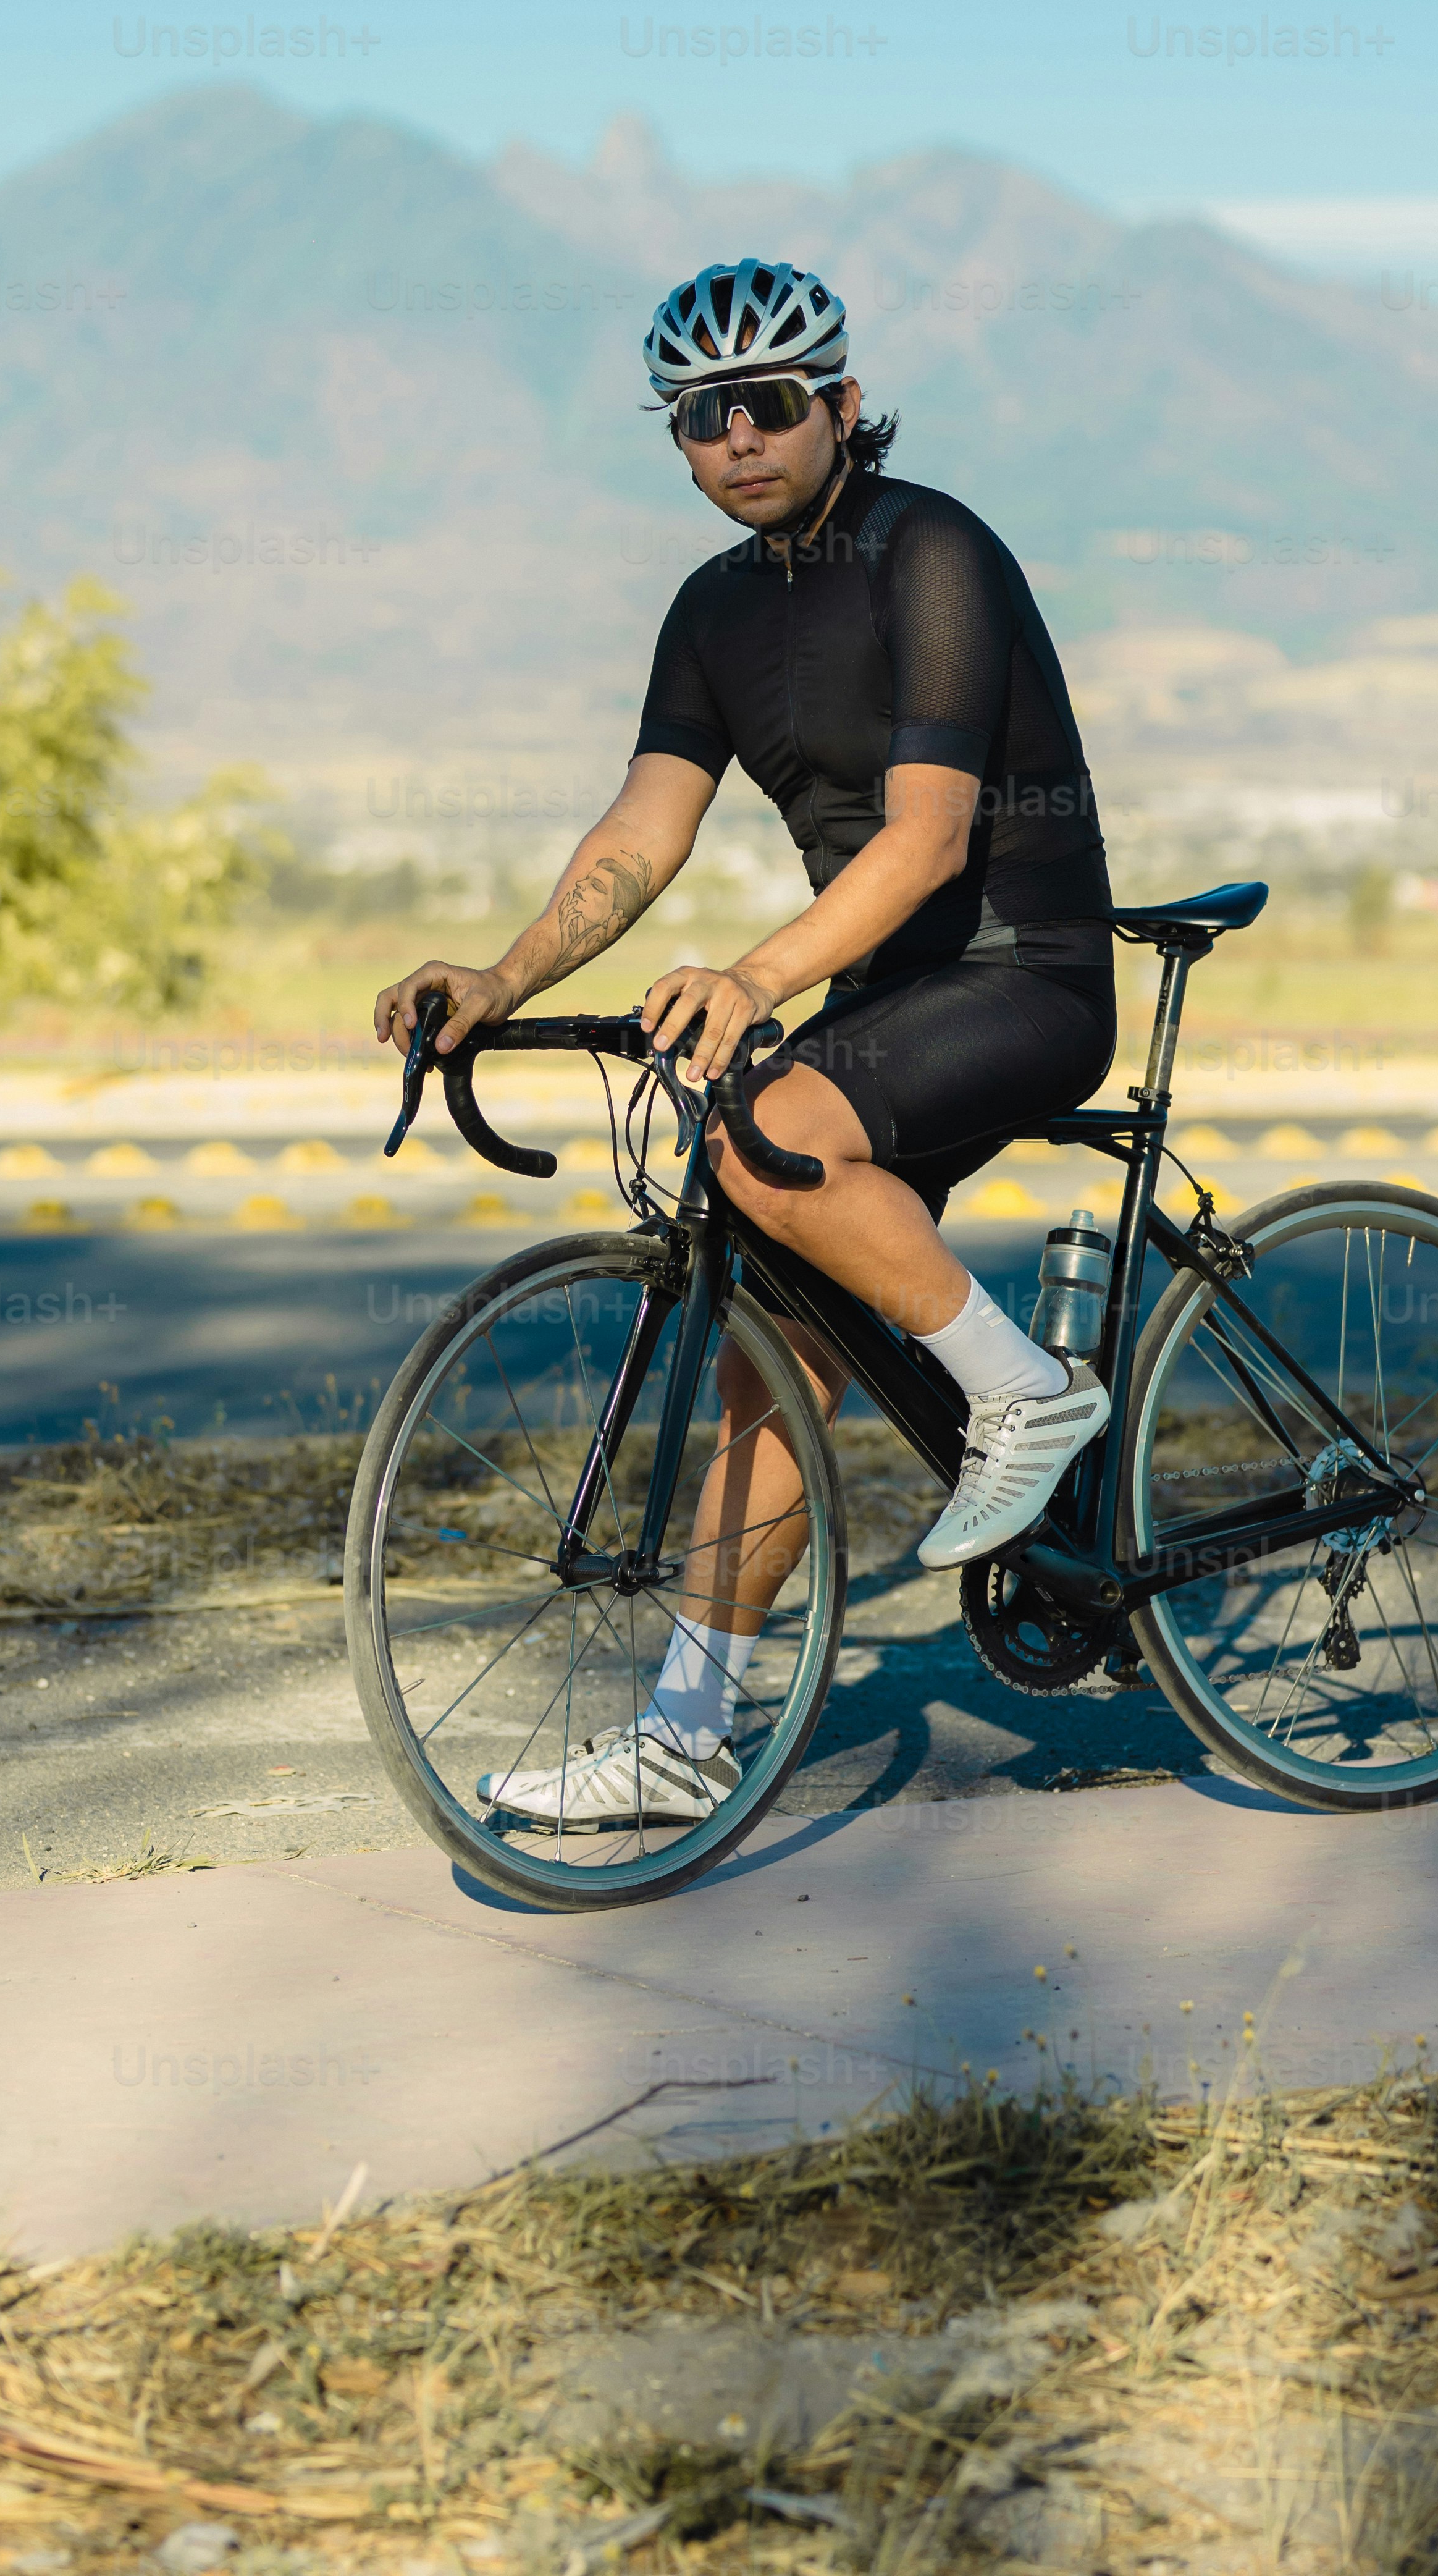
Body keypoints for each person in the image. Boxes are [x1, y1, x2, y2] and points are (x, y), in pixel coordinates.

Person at [374, 258, 1117, 1822]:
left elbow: (922, 844)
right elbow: (644, 831)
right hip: (885, 1004)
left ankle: (1029, 1393)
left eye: (771, 405)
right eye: (701, 419)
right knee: (767, 1368)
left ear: (841, 406)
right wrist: (502, 979)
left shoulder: (935, 555)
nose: (739, 441)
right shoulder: (711, 613)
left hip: (1021, 973)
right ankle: (689, 1728)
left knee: (764, 1136)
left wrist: (758, 978)